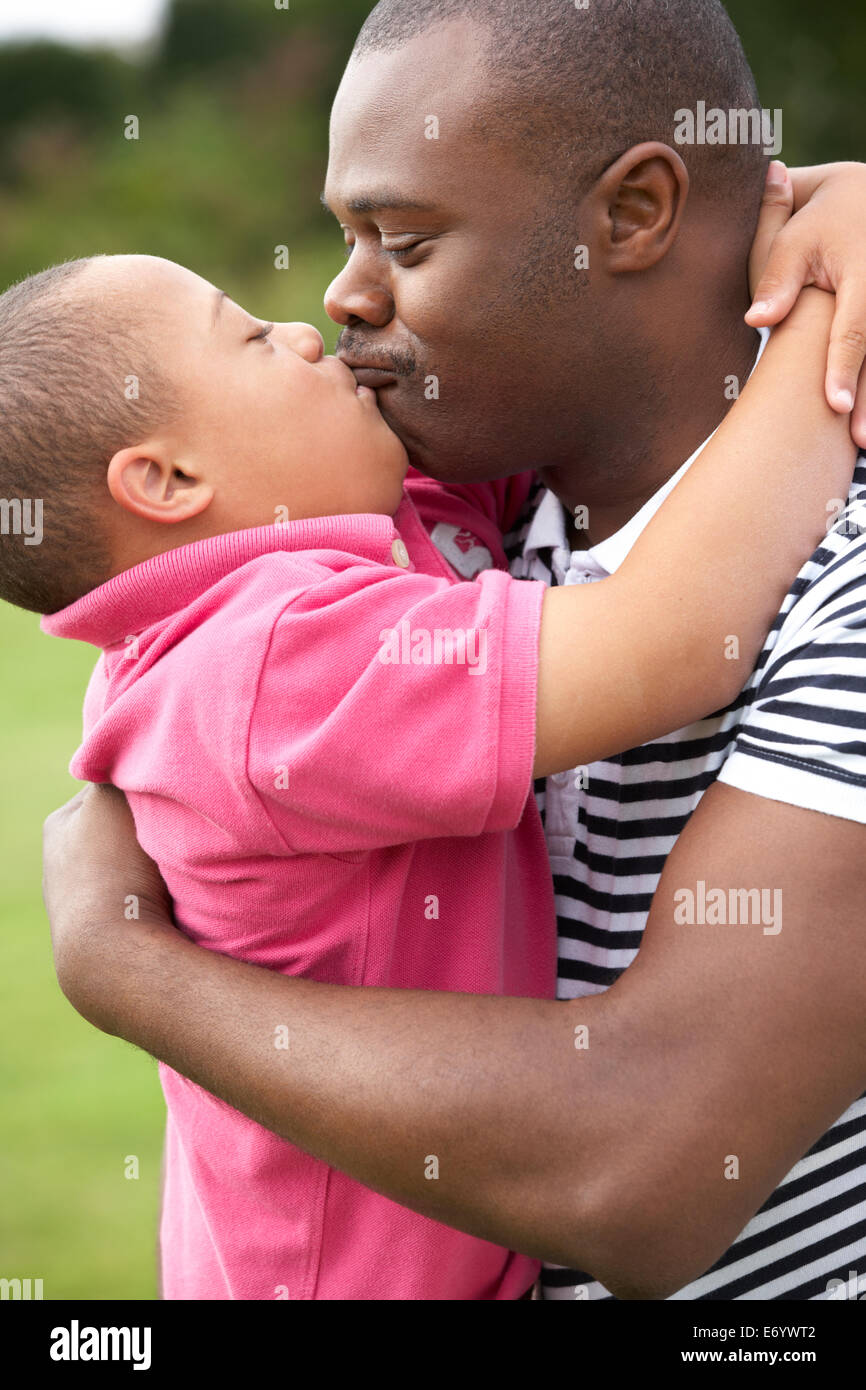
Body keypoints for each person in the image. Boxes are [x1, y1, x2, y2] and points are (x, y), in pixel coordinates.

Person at [43, 1, 866, 1300]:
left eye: (405, 239)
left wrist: (125, 963)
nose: (335, 299)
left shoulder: (839, 585)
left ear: (633, 215)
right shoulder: (434, 522)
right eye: (345, 235)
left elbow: (641, 1170)